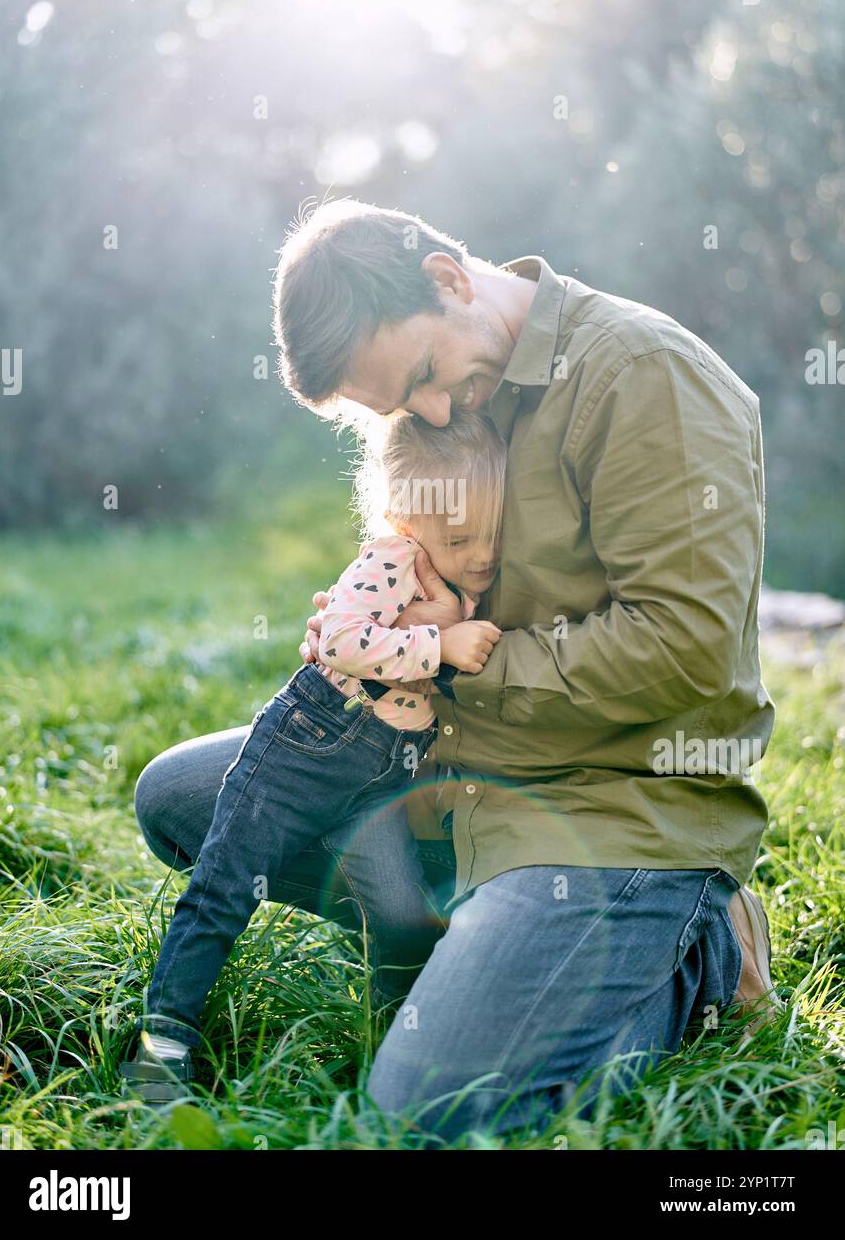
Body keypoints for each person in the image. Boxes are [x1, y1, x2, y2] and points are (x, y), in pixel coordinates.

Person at [135, 196, 779, 1138]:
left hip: (609, 809)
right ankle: (469, 948)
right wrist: (380, 624)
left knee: (424, 1111)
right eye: (405, 405)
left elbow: (686, 646)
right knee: (182, 796)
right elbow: (426, 568)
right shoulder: (455, 397)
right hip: (448, 772)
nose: (437, 410)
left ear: (447, 277)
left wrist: (449, 667)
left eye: (429, 375)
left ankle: (699, 955)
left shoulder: (647, 377)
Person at [121, 410, 505, 1102]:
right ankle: (162, 1047)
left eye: (491, 533)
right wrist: (437, 649)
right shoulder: (393, 560)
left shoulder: (469, 574)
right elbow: (338, 641)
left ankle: (397, 1050)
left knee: (397, 914)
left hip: (383, 775)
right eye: (460, 538)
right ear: (407, 524)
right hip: (310, 746)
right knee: (223, 882)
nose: (481, 552)